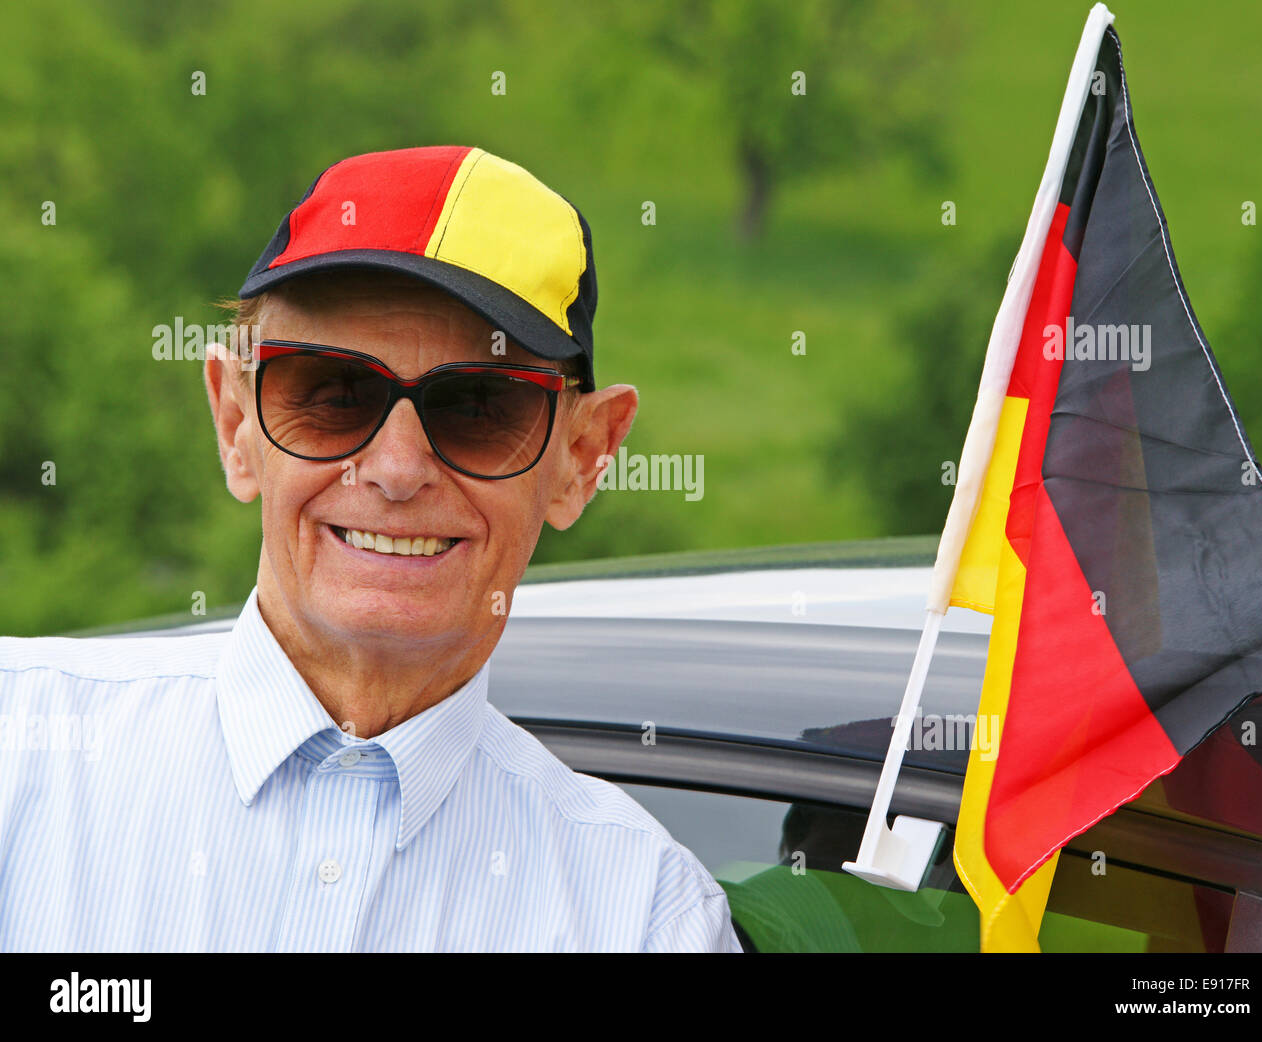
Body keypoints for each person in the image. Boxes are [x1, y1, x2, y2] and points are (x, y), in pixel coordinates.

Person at [0, 145, 742, 952]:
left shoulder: (642, 916)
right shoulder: (18, 752)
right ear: (235, 424)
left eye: (478, 407)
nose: (394, 470)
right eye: (331, 394)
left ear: (584, 457)